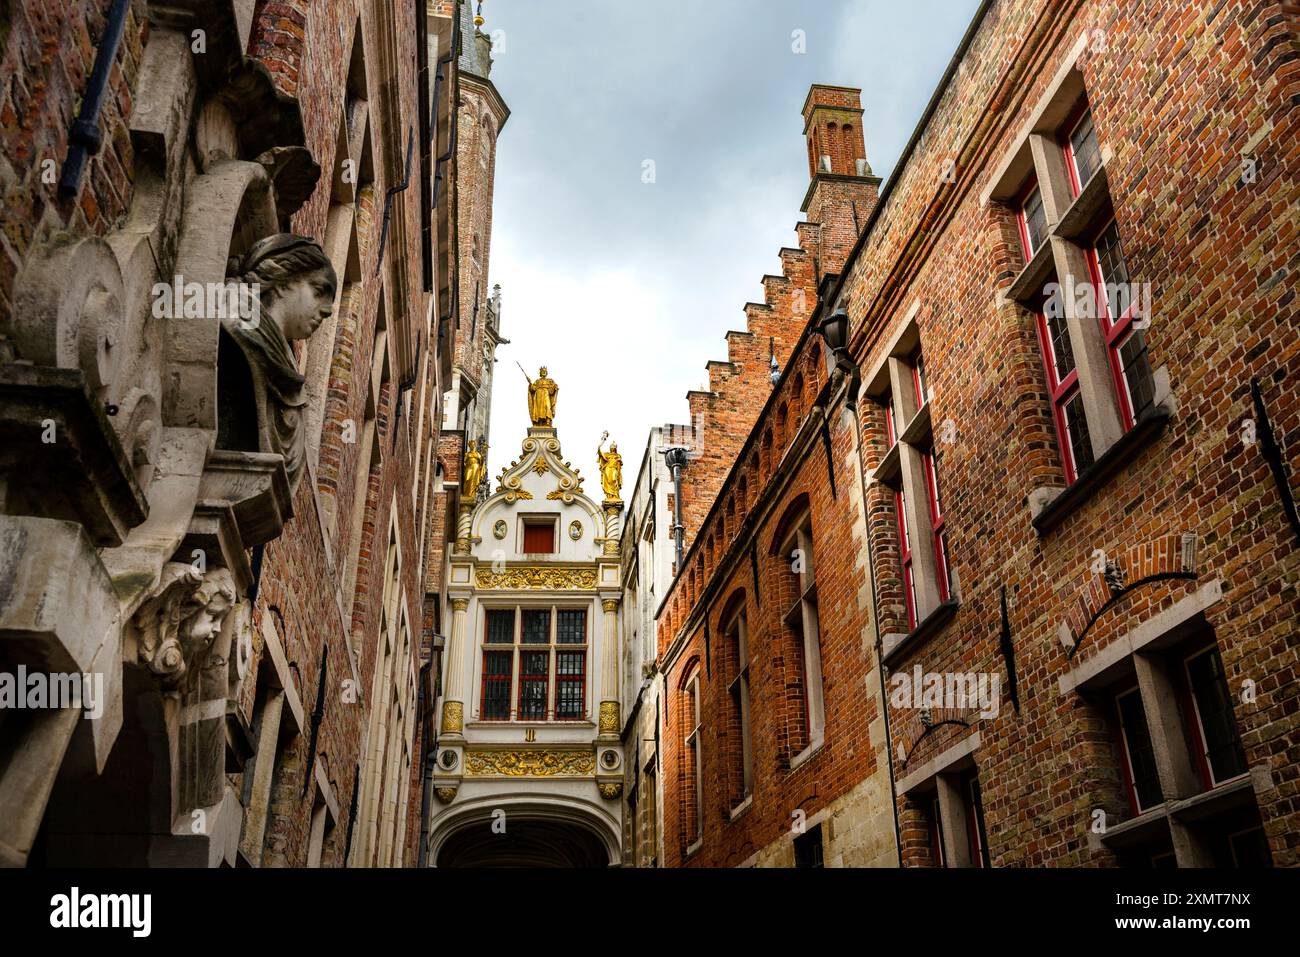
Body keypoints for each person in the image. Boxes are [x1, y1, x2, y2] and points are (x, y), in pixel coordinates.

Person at [223, 234, 337, 490]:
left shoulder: (282, 363)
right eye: (318, 291)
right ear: (284, 281)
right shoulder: (237, 325)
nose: (327, 311)